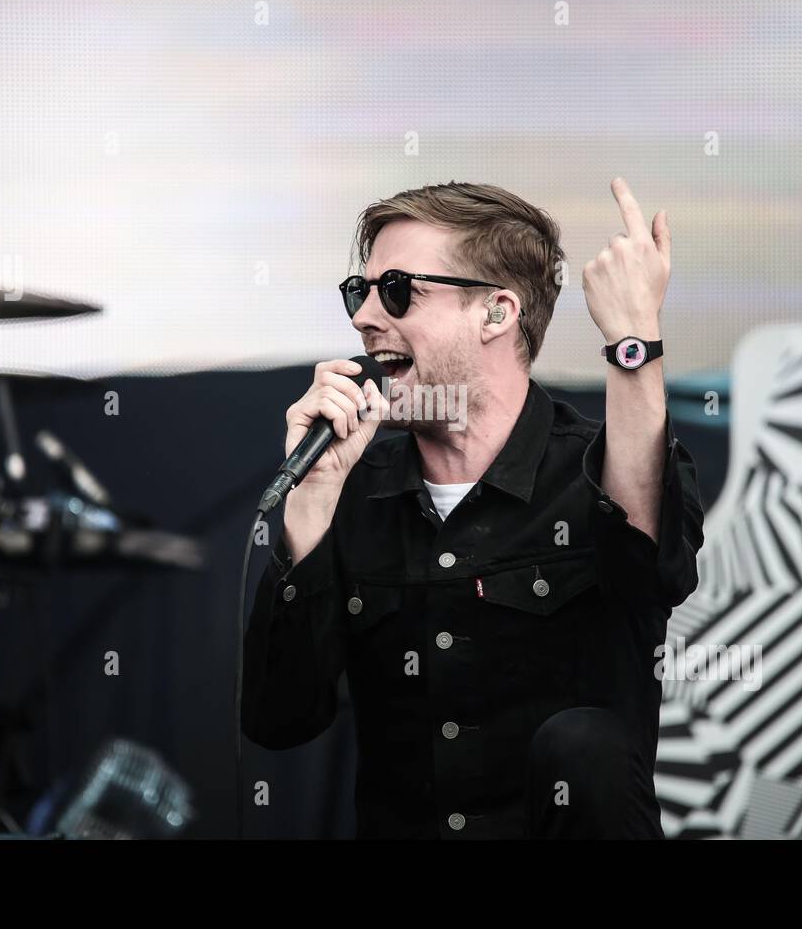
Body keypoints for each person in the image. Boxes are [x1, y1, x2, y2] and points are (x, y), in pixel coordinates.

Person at [242, 178, 704, 838]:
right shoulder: (351, 488)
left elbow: (650, 569)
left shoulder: (595, 473)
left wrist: (634, 340)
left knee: (582, 742)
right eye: (359, 291)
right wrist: (311, 505)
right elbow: (278, 721)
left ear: (496, 313)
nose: (364, 317)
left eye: (398, 289)